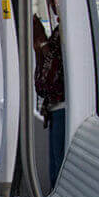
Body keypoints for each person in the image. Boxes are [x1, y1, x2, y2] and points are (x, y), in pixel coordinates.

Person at [32, 10, 66, 186]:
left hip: (61, 108)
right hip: (56, 108)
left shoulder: (62, 34)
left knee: (58, 170)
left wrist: (42, 44)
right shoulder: (58, 33)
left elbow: (49, 77)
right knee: (55, 167)